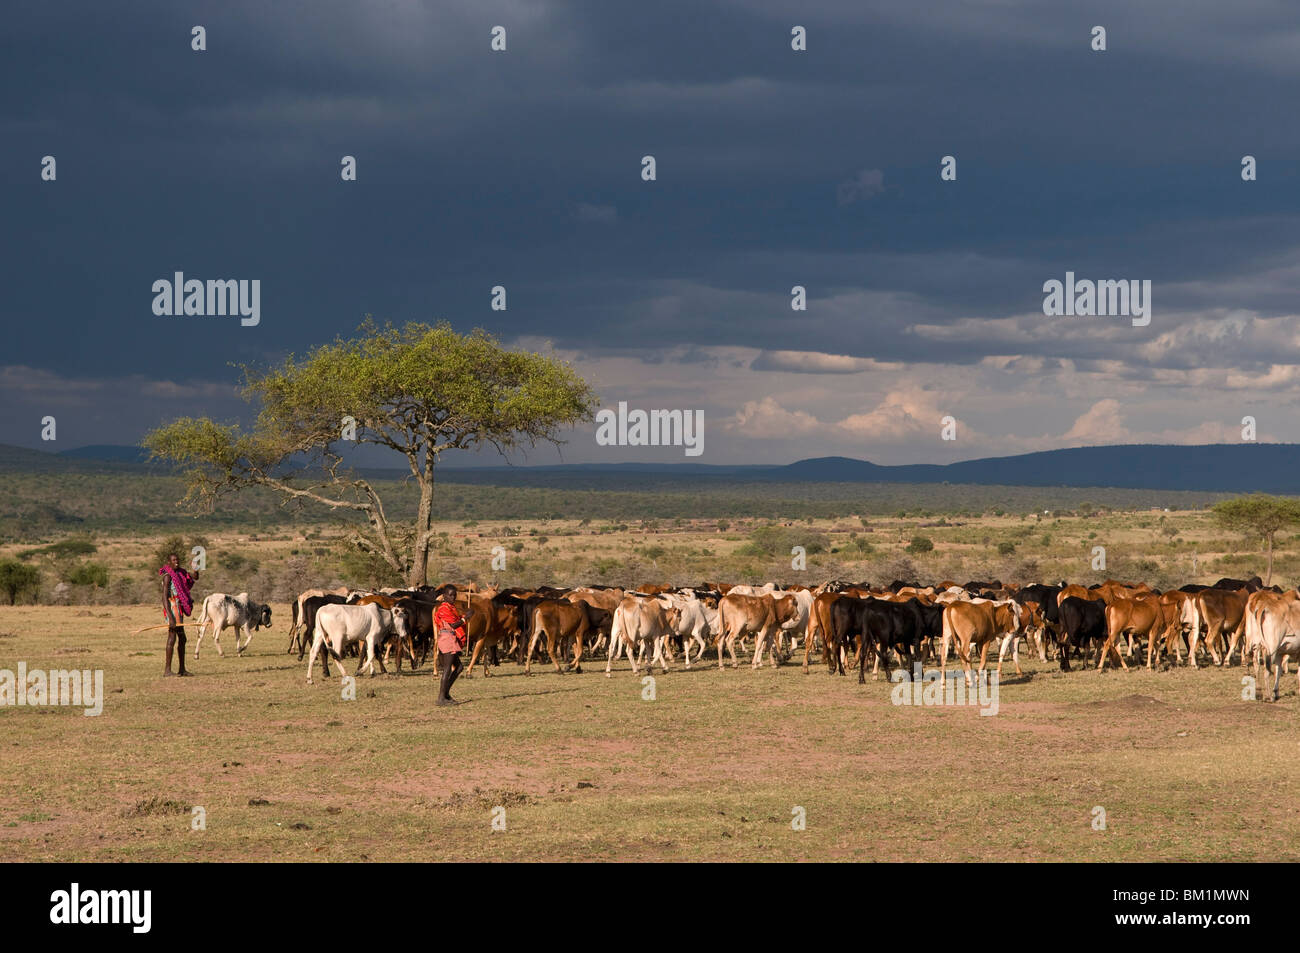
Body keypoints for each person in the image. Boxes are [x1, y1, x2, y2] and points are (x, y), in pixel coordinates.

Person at [159, 552, 197, 677]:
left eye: (177, 560)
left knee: (182, 638)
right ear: (169, 562)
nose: (176, 562)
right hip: (172, 608)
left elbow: (194, 577)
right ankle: (167, 670)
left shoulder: (180, 573)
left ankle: (182, 669)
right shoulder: (167, 577)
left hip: (178, 608)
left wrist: (195, 569)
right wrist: (170, 617)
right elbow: (164, 598)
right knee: (172, 636)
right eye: (174, 560)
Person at [434, 598, 468, 705]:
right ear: (444, 596)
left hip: (450, 638)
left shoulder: (451, 608)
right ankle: (441, 698)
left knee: (459, 667)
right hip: (447, 639)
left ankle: (445, 693)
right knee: (447, 669)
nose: (452, 597)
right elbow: (454, 625)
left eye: (454, 595)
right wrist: (465, 618)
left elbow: (455, 620)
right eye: (450, 595)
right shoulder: (444, 609)